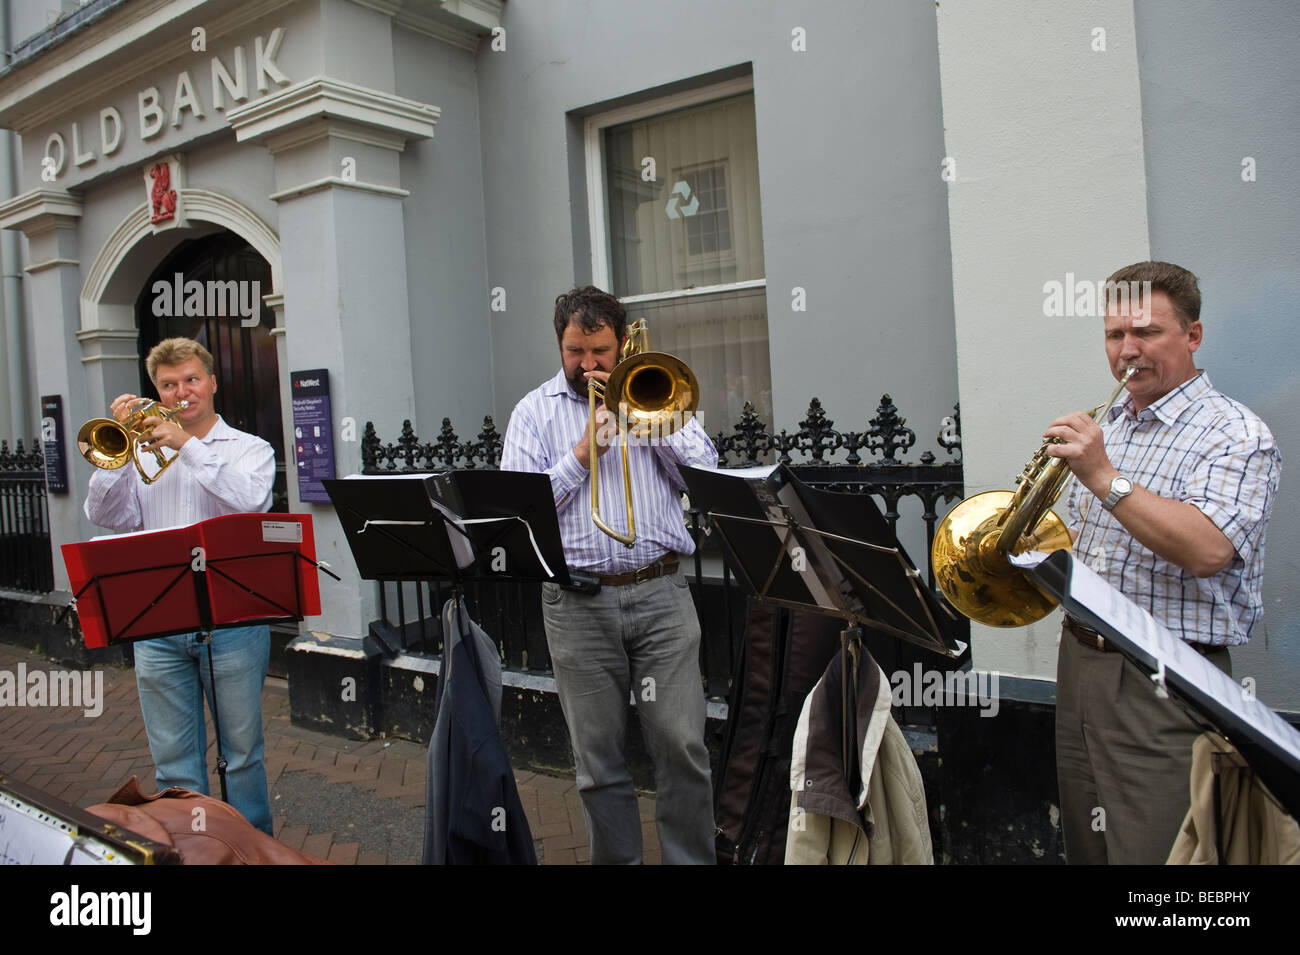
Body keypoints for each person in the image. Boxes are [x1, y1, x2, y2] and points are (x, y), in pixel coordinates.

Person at [1043, 261, 1281, 864]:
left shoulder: (1235, 435)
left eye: (1146, 332)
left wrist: (1103, 477)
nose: (1128, 351)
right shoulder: (1109, 426)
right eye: (1114, 335)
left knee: (1159, 861)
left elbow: (1206, 550)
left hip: (1165, 677)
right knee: (1089, 848)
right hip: (1080, 664)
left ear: (1193, 336)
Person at [501, 286, 718, 864]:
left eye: (599, 352)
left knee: (682, 747)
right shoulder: (534, 412)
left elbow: (706, 474)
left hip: (661, 593)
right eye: (576, 352)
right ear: (560, 344)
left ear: (623, 345)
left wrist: (651, 419)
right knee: (598, 763)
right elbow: (516, 510)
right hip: (576, 604)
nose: (588, 365)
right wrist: (578, 455)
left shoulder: (652, 391)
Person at [84, 337, 276, 835]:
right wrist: (123, 453)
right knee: (173, 762)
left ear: (212, 382)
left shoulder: (249, 450)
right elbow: (106, 517)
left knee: (242, 756)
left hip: (233, 622)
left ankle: (250, 849)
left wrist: (187, 445)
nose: (181, 392)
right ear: (157, 392)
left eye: (191, 380)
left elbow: (250, 502)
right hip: (158, 625)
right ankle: (192, 848)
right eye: (168, 385)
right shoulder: (145, 459)